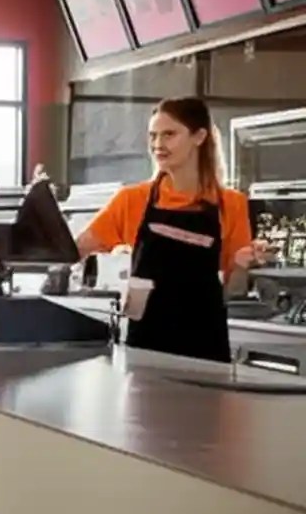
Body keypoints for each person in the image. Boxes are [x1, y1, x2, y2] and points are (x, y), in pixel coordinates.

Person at [76, 97, 268, 363]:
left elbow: (233, 291)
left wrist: (241, 263)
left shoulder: (231, 204)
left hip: (205, 348)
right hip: (143, 347)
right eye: (152, 135)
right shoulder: (131, 199)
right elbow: (76, 249)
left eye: (169, 134)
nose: (157, 145)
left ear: (199, 136)